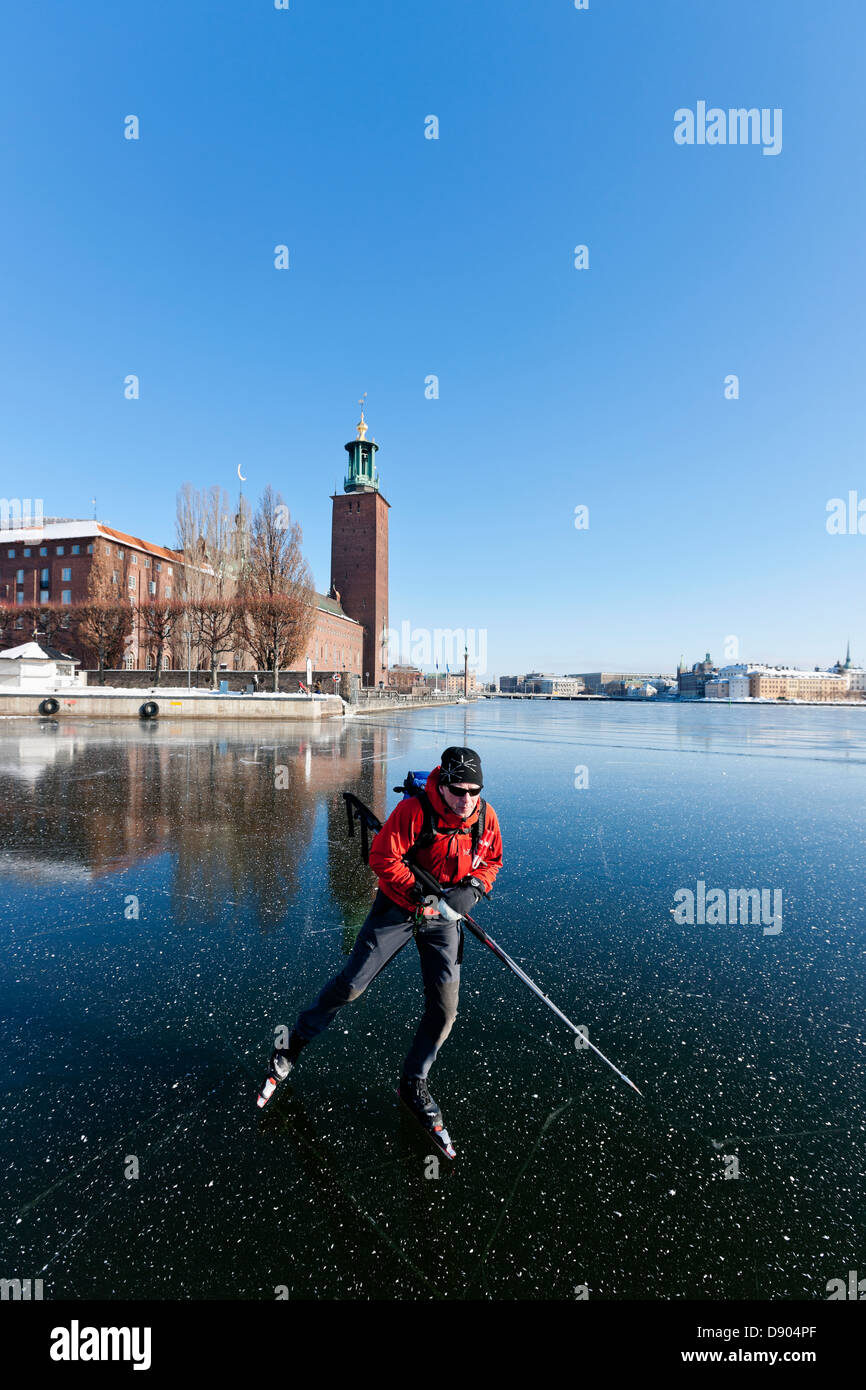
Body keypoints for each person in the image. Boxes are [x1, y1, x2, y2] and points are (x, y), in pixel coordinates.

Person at [262, 747, 502, 1138]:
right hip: (397, 909)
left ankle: (414, 1081)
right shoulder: (413, 813)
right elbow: (382, 858)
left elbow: (493, 860)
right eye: (459, 791)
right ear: (442, 786)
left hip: (443, 921)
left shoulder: (484, 816)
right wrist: (423, 896)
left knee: (445, 1009)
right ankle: (293, 1044)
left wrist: (473, 888)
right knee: (352, 985)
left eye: (474, 791)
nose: (467, 801)